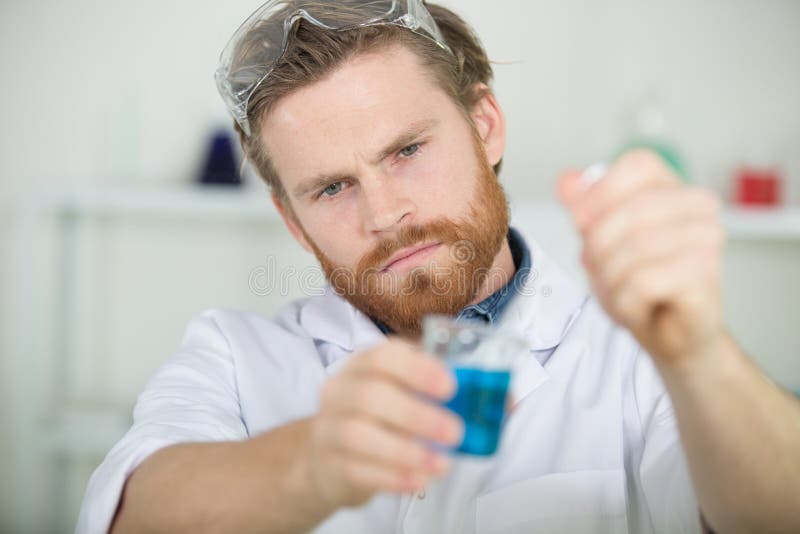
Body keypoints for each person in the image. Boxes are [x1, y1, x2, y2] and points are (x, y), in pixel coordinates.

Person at [77, 2, 800, 533]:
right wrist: (314, 466)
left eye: (407, 151)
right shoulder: (234, 359)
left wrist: (699, 354)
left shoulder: (638, 363)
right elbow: (131, 518)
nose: (384, 212)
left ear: (484, 126)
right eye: (331, 188)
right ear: (292, 221)